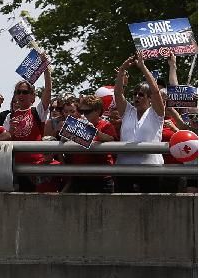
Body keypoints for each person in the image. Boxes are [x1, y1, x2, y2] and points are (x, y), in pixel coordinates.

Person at [113, 53, 166, 193]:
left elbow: (155, 91)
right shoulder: (128, 111)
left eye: (141, 94)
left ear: (149, 98)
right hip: (125, 169)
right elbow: (118, 94)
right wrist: (122, 70)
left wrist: (142, 67)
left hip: (150, 169)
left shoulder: (156, 113)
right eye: (135, 93)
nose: (136, 96)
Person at [1, 65, 52, 191]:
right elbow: (3, 139)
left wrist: (46, 70)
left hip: (36, 166)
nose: (21, 95)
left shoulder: (37, 111)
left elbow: (48, 91)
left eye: (24, 92)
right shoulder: (10, 115)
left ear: (32, 96)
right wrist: (10, 132)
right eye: (18, 92)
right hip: (16, 167)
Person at [63, 94, 117, 193]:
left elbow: (111, 140)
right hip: (79, 177)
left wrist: (94, 131)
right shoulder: (76, 125)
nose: (83, 115)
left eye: (87, 112)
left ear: (97, 111)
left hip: (100, 178)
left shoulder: (106, 125)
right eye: (81, 111)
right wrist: (64, 135)